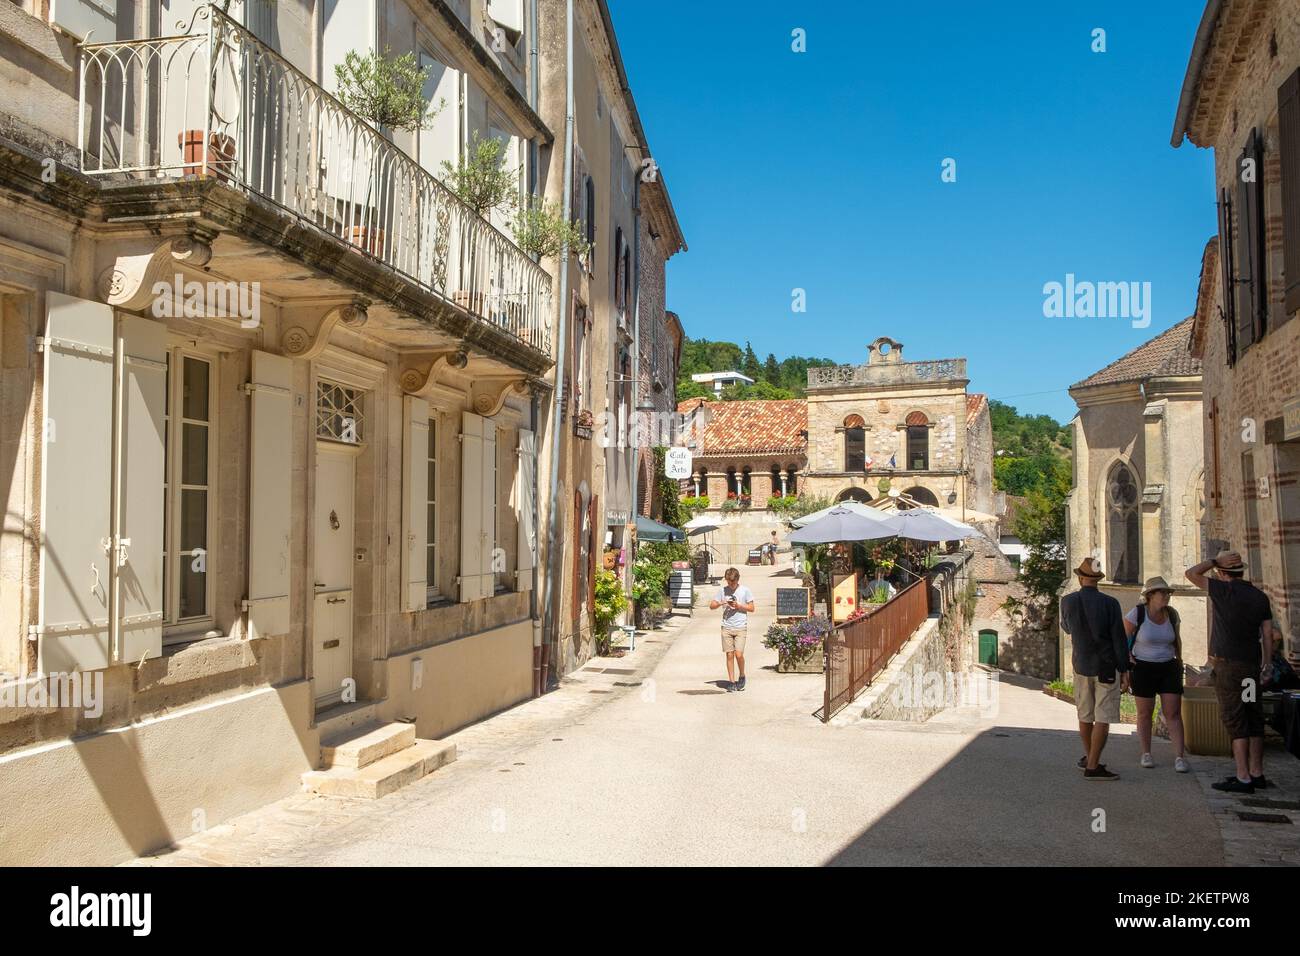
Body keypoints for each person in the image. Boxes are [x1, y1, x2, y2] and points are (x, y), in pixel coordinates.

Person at [1185, 550, 1282, 793]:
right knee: (1252, 716)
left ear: (1222, 572)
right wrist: (1267, 664)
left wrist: (1214, 561)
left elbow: (1191, 573)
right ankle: (1256, 772)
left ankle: (1243, 776)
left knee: (1235, 719)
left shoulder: (1222, 590)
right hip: (1250, 667)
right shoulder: (1259, 597)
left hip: (1229, 668)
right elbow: (1267, 635)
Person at [1059, 557, 1130, 780]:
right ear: (1097, 580)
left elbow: (1067, 628)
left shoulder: (1067, 601)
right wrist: (1125, 669)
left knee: (1085, 714)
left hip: (1081, 664)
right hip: (1106, 666)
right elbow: (1119, 639)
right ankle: (1092, 765)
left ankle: (1090, 757)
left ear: (1081, 578)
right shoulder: (1110, 604)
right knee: (1103, 716)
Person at [1123, 577, 1188, 773]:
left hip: (1168, 666)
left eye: (1168, 593)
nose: (1166, 597)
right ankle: (1146, 753)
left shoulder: (1172, 615)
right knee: (1144, 713)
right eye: (1163, 593)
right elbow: (1122, 636)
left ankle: (1179, 757)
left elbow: (1177, 639)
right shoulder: (1138, 613)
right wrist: (1127, 661)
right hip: (1143, 667)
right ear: (1150, 596)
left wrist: (1179, 660)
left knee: (1173, 713)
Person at [709, 567, 755, 692]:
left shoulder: (745, 591)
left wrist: (739, 606)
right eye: (728, 582)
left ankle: (742, 675)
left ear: (737, 580)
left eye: (732, 583)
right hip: (726, 627)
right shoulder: (723, 591)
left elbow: (752, 608)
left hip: (740, 627)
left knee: (738, 654)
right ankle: (731, 681)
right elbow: (711, 606)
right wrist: (721, 603)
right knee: (729, 654)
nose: (730, 585)